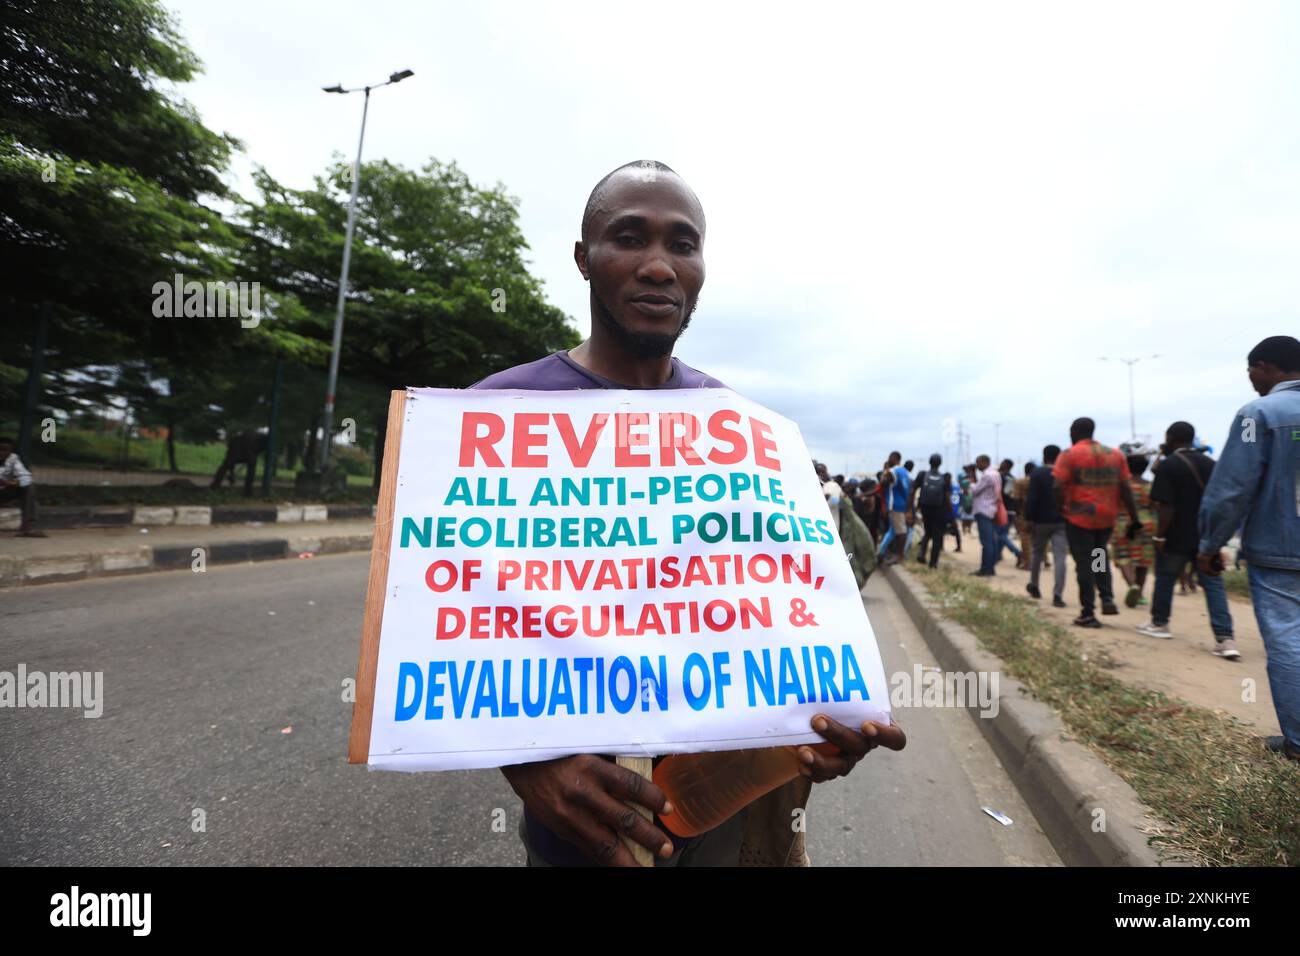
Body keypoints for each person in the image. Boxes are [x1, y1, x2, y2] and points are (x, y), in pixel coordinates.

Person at [473, 161, 905, 865]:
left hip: (724, 819)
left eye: (682, 244)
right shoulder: (497, 414)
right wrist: (526, 761)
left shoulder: (742, 431)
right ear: (583, 258)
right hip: (579, 830)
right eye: (628, 238)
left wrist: (816, 724)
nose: (658, 266)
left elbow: (773, 617)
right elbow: (451, 628)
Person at [1197, 335, 1300, 761]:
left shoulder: (1259, 414)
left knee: (1288, 639)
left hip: (1281, 551)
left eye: (1250, 371)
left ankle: (1297, 741)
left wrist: (1209, 544)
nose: (1250, 380)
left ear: (1265, 367)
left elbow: (1231, 491)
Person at [1136, 421, 1236, 657]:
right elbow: (1222, 502)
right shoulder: (1211, 464)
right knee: (1213, 584)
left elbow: (1166, 506)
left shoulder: (1168, 466)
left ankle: (1160, 623)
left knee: (1165, 579)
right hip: (1206, 537)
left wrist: (1159, 535)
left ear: (1170, 438)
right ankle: (1226, 639)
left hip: (1176, 535)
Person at [1053, 417, 1141, 628]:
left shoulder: (1069, 455)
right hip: (1106, 518)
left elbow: (1056, 486)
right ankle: (1107, 598)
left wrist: (1061, 509)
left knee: (1084, 565)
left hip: (1080, 518)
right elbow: (1126, 489)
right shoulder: (1115, 455)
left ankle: (1088, 612)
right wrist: (1134, 517)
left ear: (1073, 432)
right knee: (1099, 556)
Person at [1023, 445, 1068, 607]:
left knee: (1037, 553)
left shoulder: (1037, 473)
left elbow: (1032, 498)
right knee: (1060, 557)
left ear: (1044, 457)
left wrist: (1029, 518)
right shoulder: (1064, 473)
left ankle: (1034, 585)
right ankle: (1058, 594)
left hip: (1040, 521)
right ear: (1059, 457)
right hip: (1061, 521)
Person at [1112, 453, 1157, 607]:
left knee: (1123, 556)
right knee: (1142, 561)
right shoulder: (1151, 486)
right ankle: (1140, 594)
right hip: (1147, 525)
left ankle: (1132, 585)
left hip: (1123, 523)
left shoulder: (1121, 485)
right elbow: (1154, 506)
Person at [911, 453, 951, 569]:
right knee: (937, 536)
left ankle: (922, 553)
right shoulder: (945, 477)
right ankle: (933, 562)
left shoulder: (922, 475)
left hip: (925, 508)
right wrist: (950, 510)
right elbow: (947, 496)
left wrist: (913, 508)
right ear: (940, 463)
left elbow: (913, 490)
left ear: (929, 462)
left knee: (927, 531)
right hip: (939, 510)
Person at [0, 437, 45, 537]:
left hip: (3, 492)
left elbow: (26, 477)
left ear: (10, 452)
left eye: (5, 450)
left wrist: (11, 482)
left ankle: (27, 528)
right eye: (0, 449)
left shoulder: (13, 458)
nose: (1, 453)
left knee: (28, 487)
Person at [876, 453, 912, 565]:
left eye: (890, 458)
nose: (888, 460)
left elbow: (883, 483)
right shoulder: (905, 472)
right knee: (893, 531)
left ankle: (899, 556)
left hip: (895, 505)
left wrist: (885, 472)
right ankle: (881, 553)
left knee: (901, 532)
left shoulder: (892, 471)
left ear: (895, 458)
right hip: (903, 505)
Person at [969, 455, 1001, 576]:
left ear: (984, 462)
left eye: (978, 463)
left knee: (986, 542)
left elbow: (975, 490)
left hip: (983, 510)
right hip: (992, 509)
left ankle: (985, 569)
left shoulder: (987, 475)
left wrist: (971, 478)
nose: (977, 466)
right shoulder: (995, 474)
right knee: (991, 541)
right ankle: (990, 568)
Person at [995, 458, 1025, 569]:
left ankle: (1018, 553)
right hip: (1011, 510)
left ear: (1006, 465)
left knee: (1000, 534)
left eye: (1002, 463)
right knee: (1002, 534)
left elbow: (1004, 495)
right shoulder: (1012, 479)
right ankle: (998, 555)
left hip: (1003, 510)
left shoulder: (1002, 478)